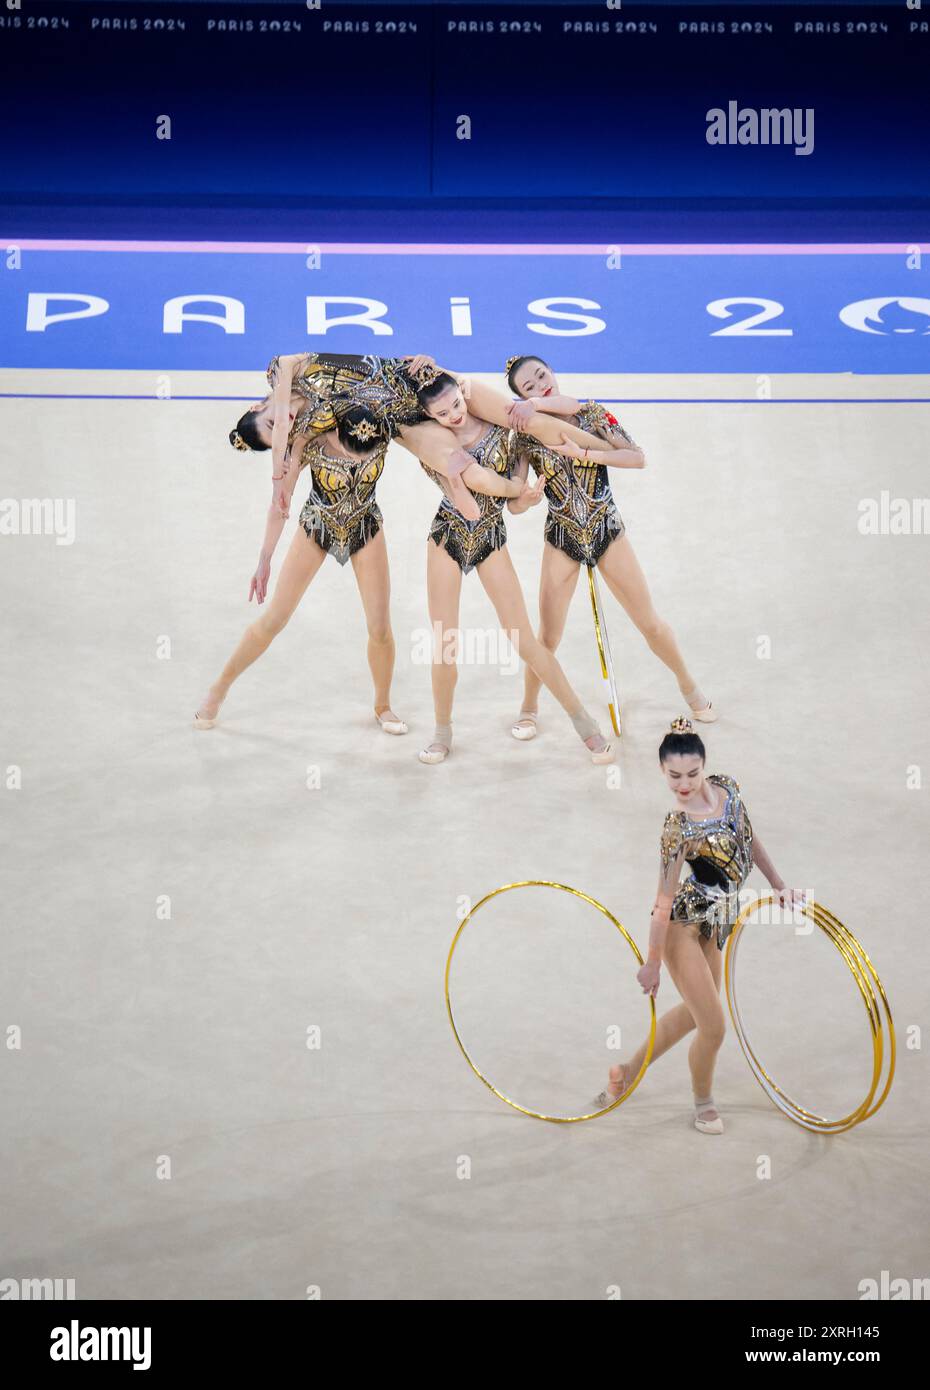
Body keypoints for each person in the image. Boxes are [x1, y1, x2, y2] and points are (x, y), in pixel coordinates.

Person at [395, 370, 614, 765]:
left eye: (457, 405)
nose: (454, 415)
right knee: (445, 643)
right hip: (447, 537)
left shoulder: (503, 432)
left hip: (491, 537)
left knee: (524, 639)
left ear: (464, 394)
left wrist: (526, 497)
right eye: (443, 413)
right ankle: (442, 732)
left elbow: (512, 501)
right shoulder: (432, 442)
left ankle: (584, 724)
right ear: (431, 416)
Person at [594, 717, 802, 1134]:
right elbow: (662, 900)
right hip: (682, 927)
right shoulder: (677, 828)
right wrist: (653, 962)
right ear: (662, 771)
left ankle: (627, 1072)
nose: (684, 784)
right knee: (714, 1025)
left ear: (705, 765)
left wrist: (779, 885)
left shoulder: (729, 789)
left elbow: (749, 839)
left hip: (717, 923)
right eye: (674, 776)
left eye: (691, 773)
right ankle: (703, 1102)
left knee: (694, 1013)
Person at [504, 354, 716, 741]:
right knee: (547, 637)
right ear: (520, 397)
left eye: (541, 375)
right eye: (528, 387)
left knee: (648, 622)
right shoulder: (523, 434)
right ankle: (529, 708)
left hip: (607, 531)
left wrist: (587, 454)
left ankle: (689, 686)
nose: (539, 386)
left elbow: (636, 457)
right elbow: (514, 504)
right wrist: (527, 499)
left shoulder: (593, 413)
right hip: (563, 538)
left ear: (553, 371)